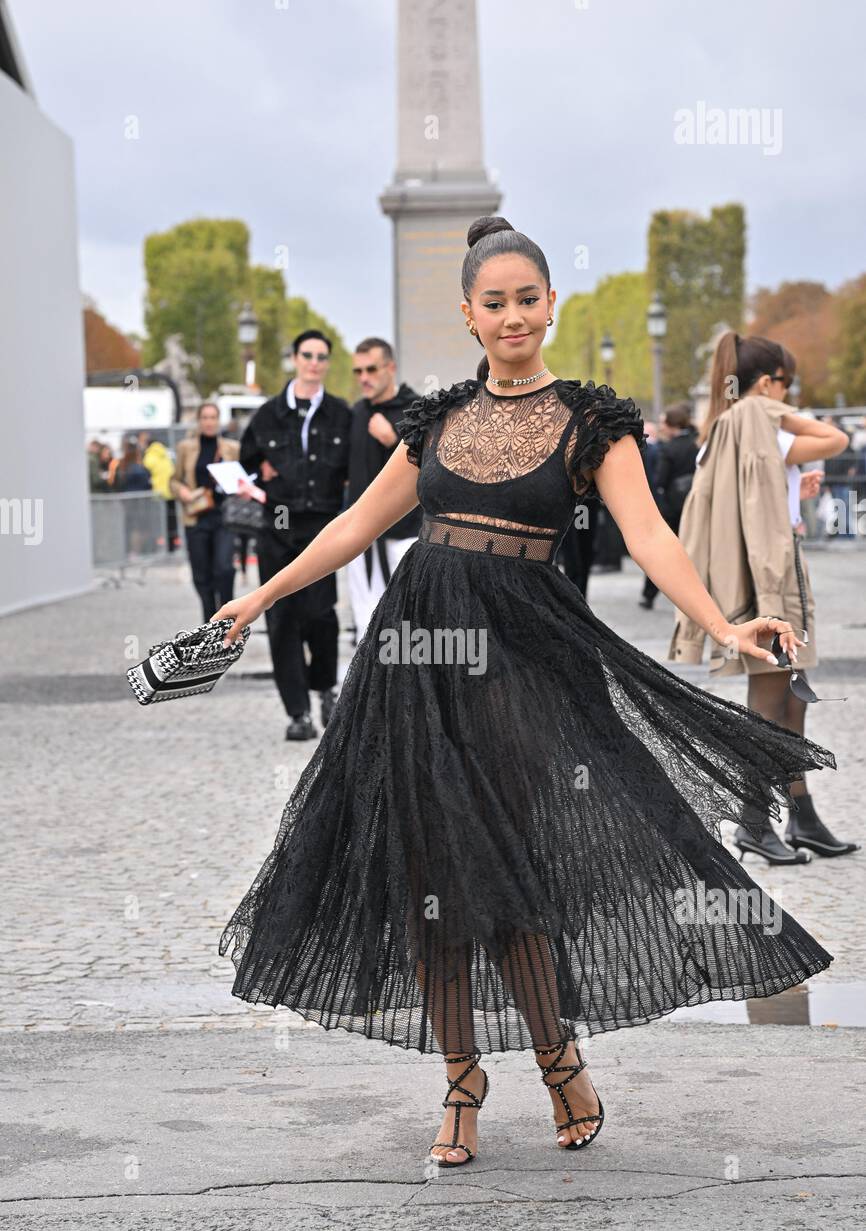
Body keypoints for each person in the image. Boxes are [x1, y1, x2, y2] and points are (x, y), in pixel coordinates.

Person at [212, 217, 836, 1169]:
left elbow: (653, 538)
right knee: (429, 871)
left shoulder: (595, 421)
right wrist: (257, 596)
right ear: (468, 314)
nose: (513, 316)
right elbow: (352, 528)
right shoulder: (438, 422)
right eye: (493, 303)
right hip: (415, 659)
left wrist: (721, 626)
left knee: (502, 868)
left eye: (527, 300)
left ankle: (556, 1058)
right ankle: (461, 1075)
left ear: (553, 305)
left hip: (525, 662)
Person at [670, 330, 857, 864]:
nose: (788, 396)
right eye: (785, 384)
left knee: (793, 692)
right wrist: (770, 409)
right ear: (769, 382)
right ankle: (755, 820)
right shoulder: (757, 425)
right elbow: (836, 438)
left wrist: (792, 490)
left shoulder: (724, 433)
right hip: (770, 579)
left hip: (759, 572)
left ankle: (803, 818)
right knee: (772, 703)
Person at [237, 330, 351, 739]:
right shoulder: (268, 415)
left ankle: (324, 687)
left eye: (322, 356)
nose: (314, 362)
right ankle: (297, 712)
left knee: (320, 614)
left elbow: (356, 472)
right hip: (278, 525)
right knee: (282, 617)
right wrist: (257, 477)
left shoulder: (341, 414)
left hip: (322, 527)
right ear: (294, 358)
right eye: (308, 355)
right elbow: (245, 464)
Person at [345, 338, 419, 641]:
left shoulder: (417, 410)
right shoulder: (357, 413)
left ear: (391, 368)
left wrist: (393, 441)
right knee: (366, 625)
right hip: (360, 539)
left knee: (410, 624)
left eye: (371, 369)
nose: (364, 377)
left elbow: (432, 467)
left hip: (406, 535)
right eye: (358, 371)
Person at [169, 402, 241, 621]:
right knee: (201, 574)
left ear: (219, 420)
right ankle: (209, 620)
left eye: (213, 417)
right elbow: (174, 480)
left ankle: (227, 616)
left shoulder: (232, 448)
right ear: (199, 421)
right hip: (196, 517)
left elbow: (242, 479)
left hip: (224, 516)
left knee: (224, 568)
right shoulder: (185, 448)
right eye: (205, 417)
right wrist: (182, 491)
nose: (209, 422)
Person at [639, 403, 698, 609]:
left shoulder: (668, 449)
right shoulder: (697, 444)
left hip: (672, 506)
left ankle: (649, 594)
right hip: (695, 505)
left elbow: (659, 479)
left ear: (671, 424)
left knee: (662, 552)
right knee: (694, 550)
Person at [139, 431, 178, 551]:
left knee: (158, 522)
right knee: (171, 520)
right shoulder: (165, 453)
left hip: (158, 493)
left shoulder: (149, 456)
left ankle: (161, 547)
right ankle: (171, 545)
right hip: (170, 491)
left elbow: (145, 473)